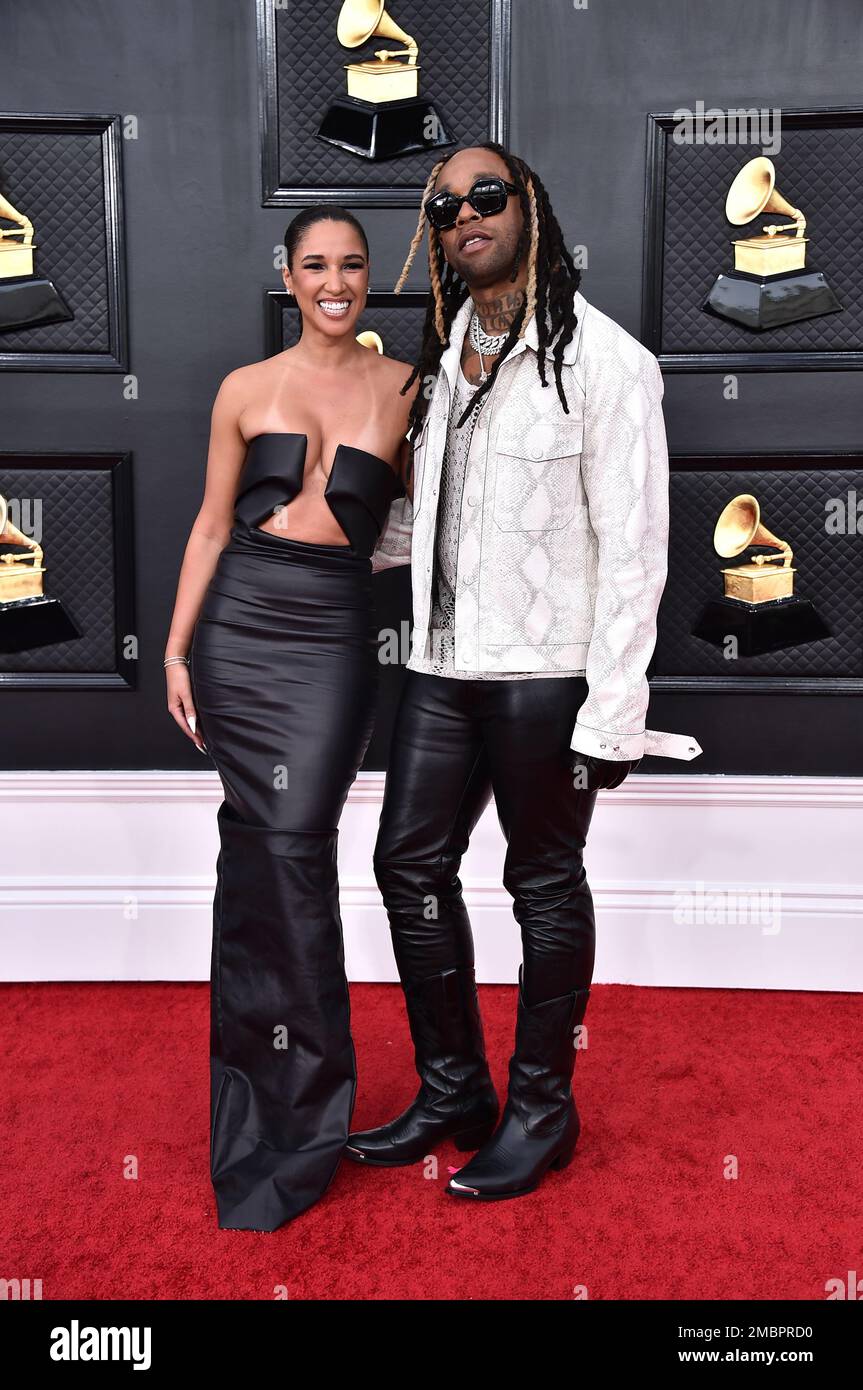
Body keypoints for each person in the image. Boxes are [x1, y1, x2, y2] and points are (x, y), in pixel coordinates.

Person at [351, 142, 703, 1201]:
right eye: (445, 203)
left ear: (529, 210)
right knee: (407, 866)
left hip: (547, 676)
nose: (465, 213)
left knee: (541, 883)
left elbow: (636, 550)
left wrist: (611, 715)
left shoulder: (607, 364)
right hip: (442, 663)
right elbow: (430, 520)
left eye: (486, 195)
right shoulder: (445, 354)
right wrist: (315, 538)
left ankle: (543, 1109)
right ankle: (455, 1088)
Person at [164, 206, 417, 1232]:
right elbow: (212, 522)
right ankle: (261, 1112)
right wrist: (177, 649)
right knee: (256, 860)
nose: (333, 281)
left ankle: (304, 1118)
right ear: (287, 273)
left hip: (329, 637)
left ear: (367, 278)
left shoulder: (408, 387)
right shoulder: (243, 389)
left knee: (294, 852)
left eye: (350, 264)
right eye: (315, 264)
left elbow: (434, 523)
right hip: (240, 631)